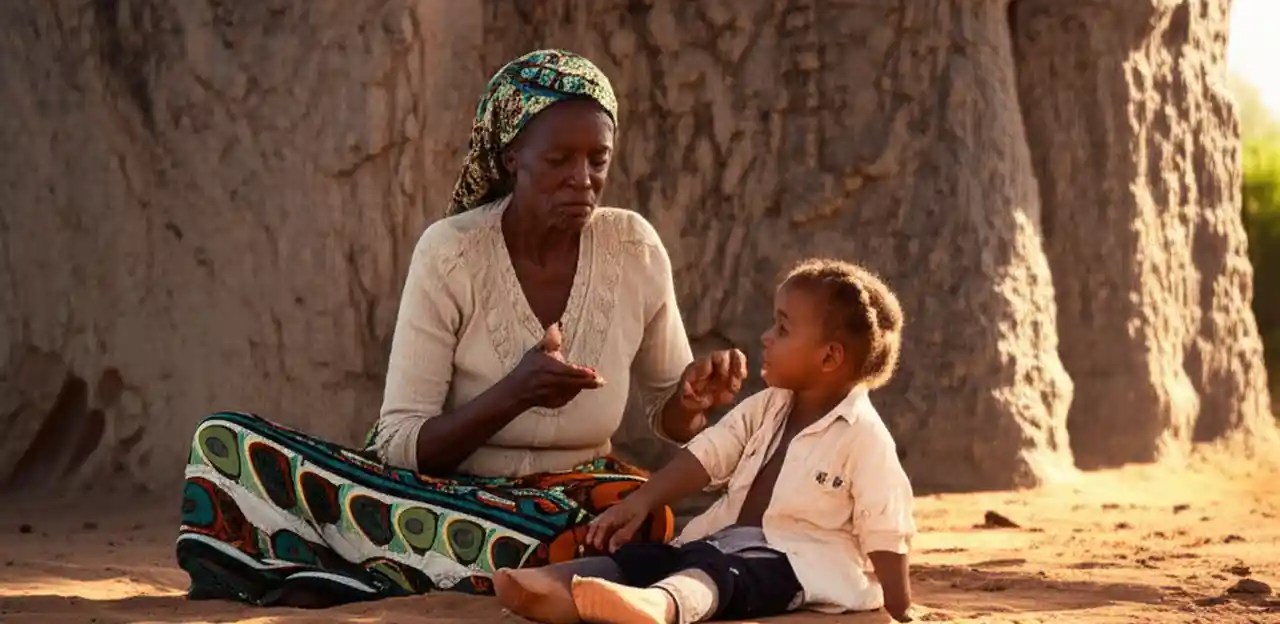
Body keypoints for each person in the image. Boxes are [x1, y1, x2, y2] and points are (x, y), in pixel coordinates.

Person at [175, 49, 747, 607]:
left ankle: (364, 563)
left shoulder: (634, 247)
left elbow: (666, 414)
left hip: (575, 500)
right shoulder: (451, 253)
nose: (583, 179)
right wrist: (514, 395)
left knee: (634, 514)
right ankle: (501, 564)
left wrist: (692, 401)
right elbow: (399, 448)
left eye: (597, 159)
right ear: (510, 160)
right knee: (225, 443)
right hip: (442, 494)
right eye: (558, 162)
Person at [495, 259, 916, 624]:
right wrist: (640, 501)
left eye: (783, 329)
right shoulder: (767, 406)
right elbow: (707, 456)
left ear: (829, 358)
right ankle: (555, 587)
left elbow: (885, 527)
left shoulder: (865, 437)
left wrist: (899, 604)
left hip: (794, 567)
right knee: (653, 558)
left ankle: (659, 607)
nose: (767, 336)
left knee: (716, 574)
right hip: (724, 538)